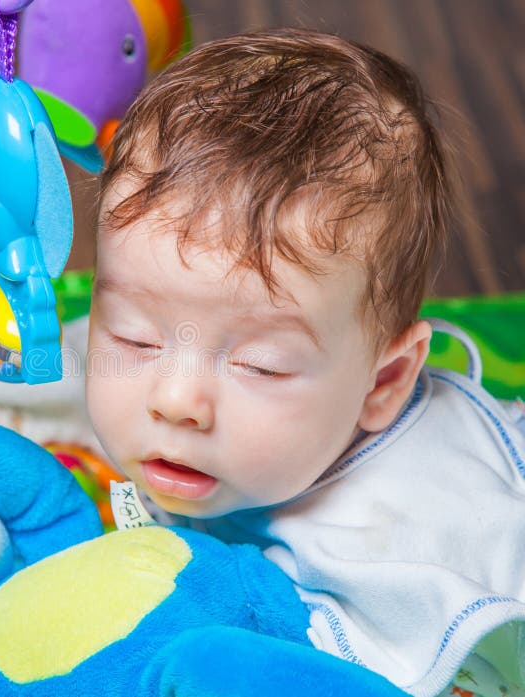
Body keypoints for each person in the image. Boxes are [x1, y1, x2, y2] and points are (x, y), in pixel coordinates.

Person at [84, 28, 525, 697]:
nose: (173, 398)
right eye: (136, 336)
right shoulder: (255, 436)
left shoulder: (399, 549)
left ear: (384, 381)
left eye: (259, 364)